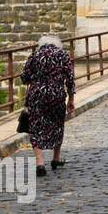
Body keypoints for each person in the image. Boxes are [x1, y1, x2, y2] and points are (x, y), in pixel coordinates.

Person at [20, 35, 75, 177]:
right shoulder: (63, 55)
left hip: (37, 95)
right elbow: (70, 79)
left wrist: (36, 78)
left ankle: (39, 162)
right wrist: (71, 99)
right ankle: (56, 158)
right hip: (57, 94)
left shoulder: (35, 55)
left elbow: (24, 77)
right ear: (57, 45)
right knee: (57, 124)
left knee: (36, 126)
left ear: (41, 45)